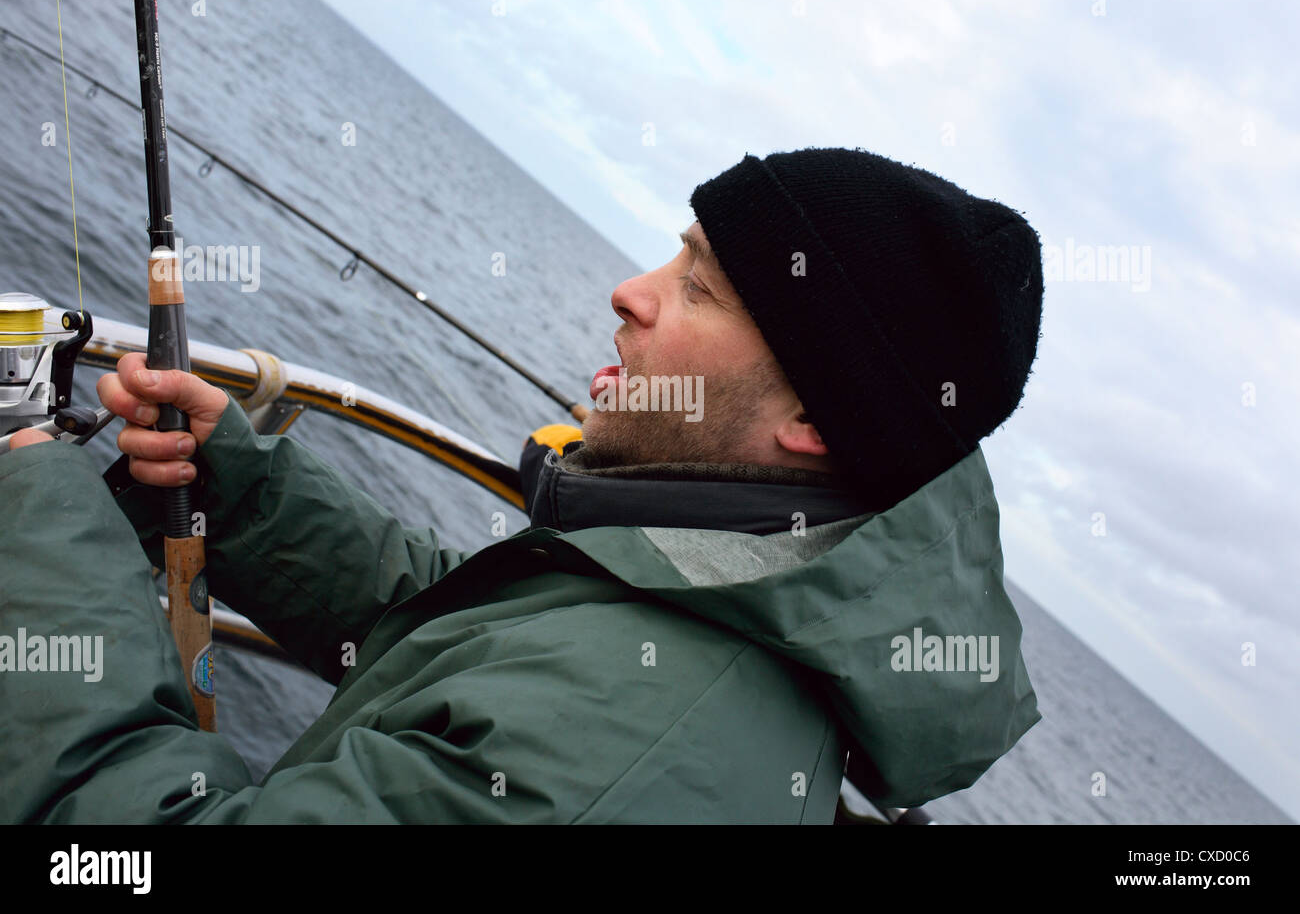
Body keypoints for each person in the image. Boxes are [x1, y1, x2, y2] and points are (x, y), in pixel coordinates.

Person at [0, 147, 1043, 823]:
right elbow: (465, 633)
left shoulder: (612, 751)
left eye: (697, 287)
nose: (627, 293)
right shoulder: (725, 593)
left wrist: (42, 513)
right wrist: (246, 491)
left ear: (810, 424)